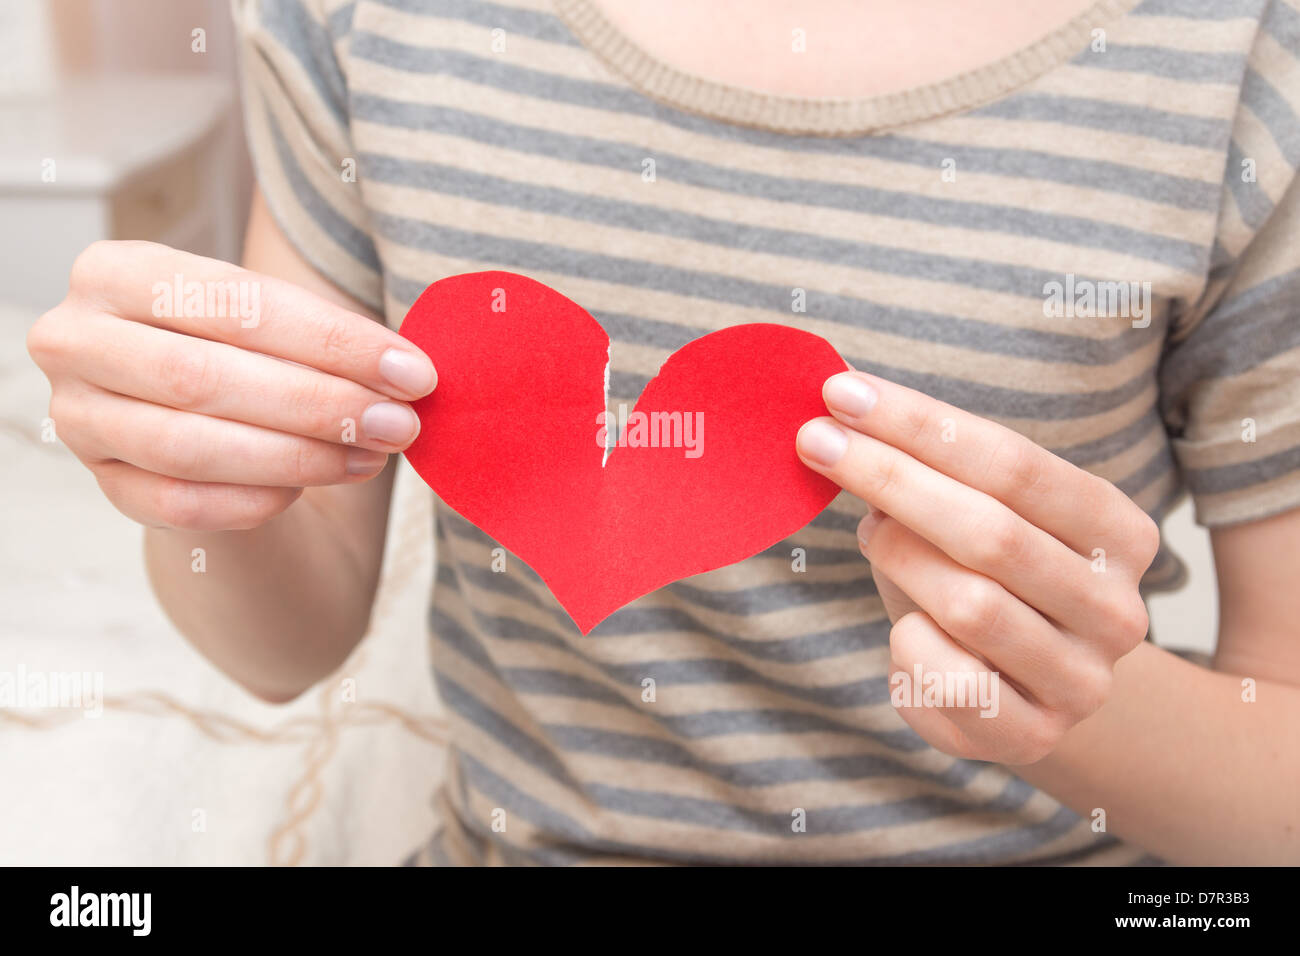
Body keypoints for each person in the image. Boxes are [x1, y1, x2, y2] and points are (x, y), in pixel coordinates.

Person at [27, 0, 1300, 864]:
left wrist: (1067, 697)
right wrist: (193, 475)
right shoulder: (362, 23)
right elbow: (284, 643)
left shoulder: (1238, 61)